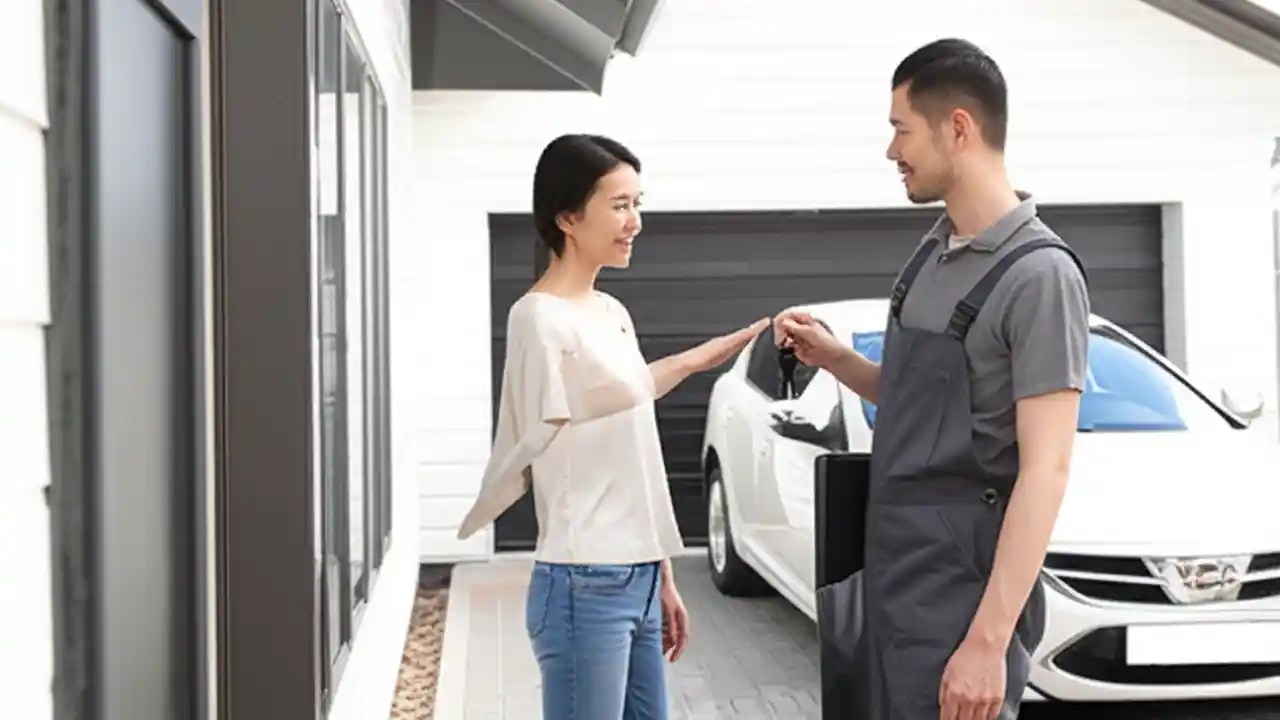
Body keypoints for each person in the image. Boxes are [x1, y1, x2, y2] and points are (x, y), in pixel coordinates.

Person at [774, 39, 1089, 720]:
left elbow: (1048, 470)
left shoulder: (1040, 277)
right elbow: (921, 402)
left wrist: (986, 644)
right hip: (888, 579)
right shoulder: (930, 255)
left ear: (958, 129)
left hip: (959, 600)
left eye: (899, 129)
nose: (891, 150)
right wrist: (834, 359)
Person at [457, 133, 768, 720]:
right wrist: (701, 358)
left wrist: (663, 575)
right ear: (568, 217)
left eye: (638, 203)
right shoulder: (536, 319)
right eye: (620, 205)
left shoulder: (611, 311)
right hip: (582, 584)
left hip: (639, 578)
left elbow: (635, 452)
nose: (636, 222)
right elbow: (590, 400)